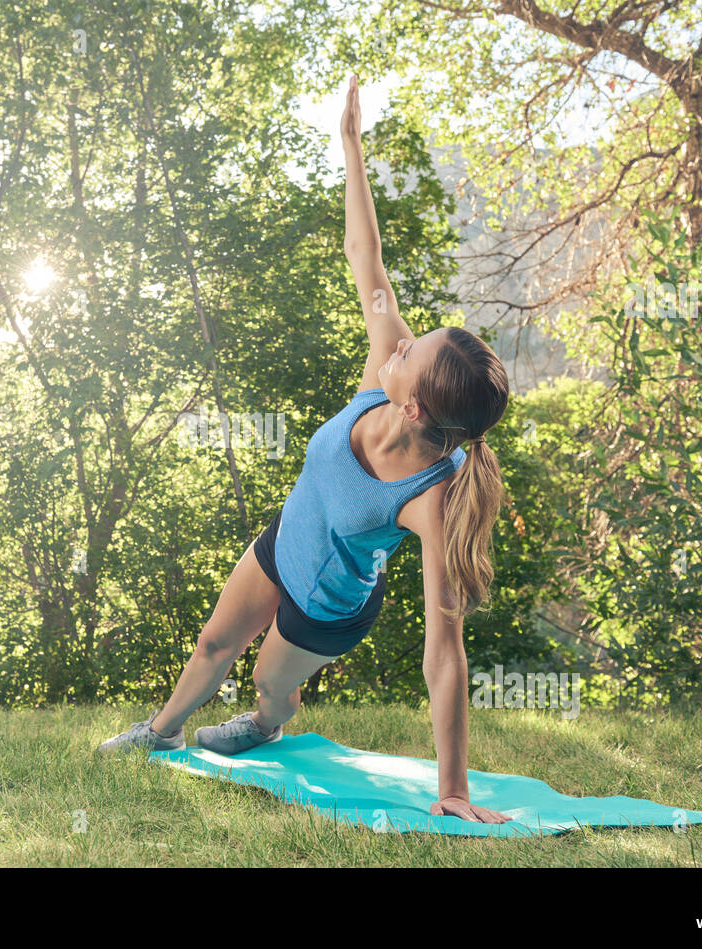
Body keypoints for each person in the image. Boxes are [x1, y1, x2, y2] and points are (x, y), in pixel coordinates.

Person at [98, 75, 513, 824]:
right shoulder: (386, 373)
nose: (401, 338)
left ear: (414, 403)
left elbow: (443, 648)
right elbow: (367, 258)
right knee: (212, 642)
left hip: (330, 607)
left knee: (265, 680)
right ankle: (158, 734)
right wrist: (351, 146)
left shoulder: (432, 495)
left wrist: (452, 789)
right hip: (282, 545)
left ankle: (266, 723)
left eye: (413, 349)